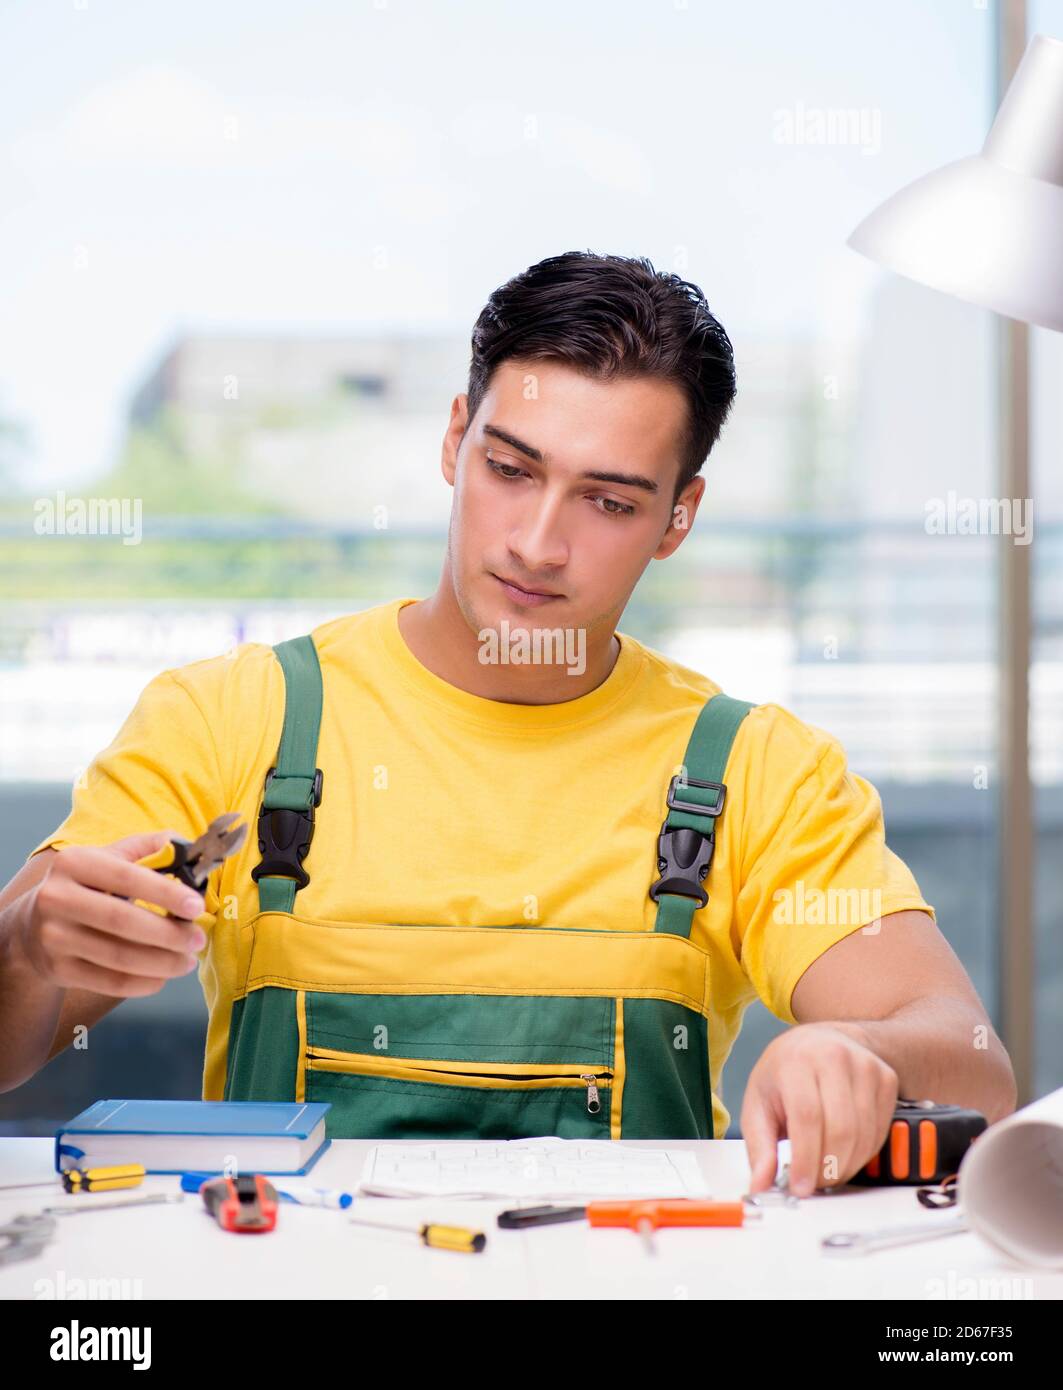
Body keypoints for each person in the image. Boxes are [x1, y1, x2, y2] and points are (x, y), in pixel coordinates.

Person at [0, 251, 1016, 1196]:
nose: (537, 542)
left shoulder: (755, 770)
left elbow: (974, 1066)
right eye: (511, 469)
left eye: (609, 503)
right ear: (455, 438)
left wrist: (865, 1055)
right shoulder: (233, 719)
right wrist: (28, 944)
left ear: (679, 518)